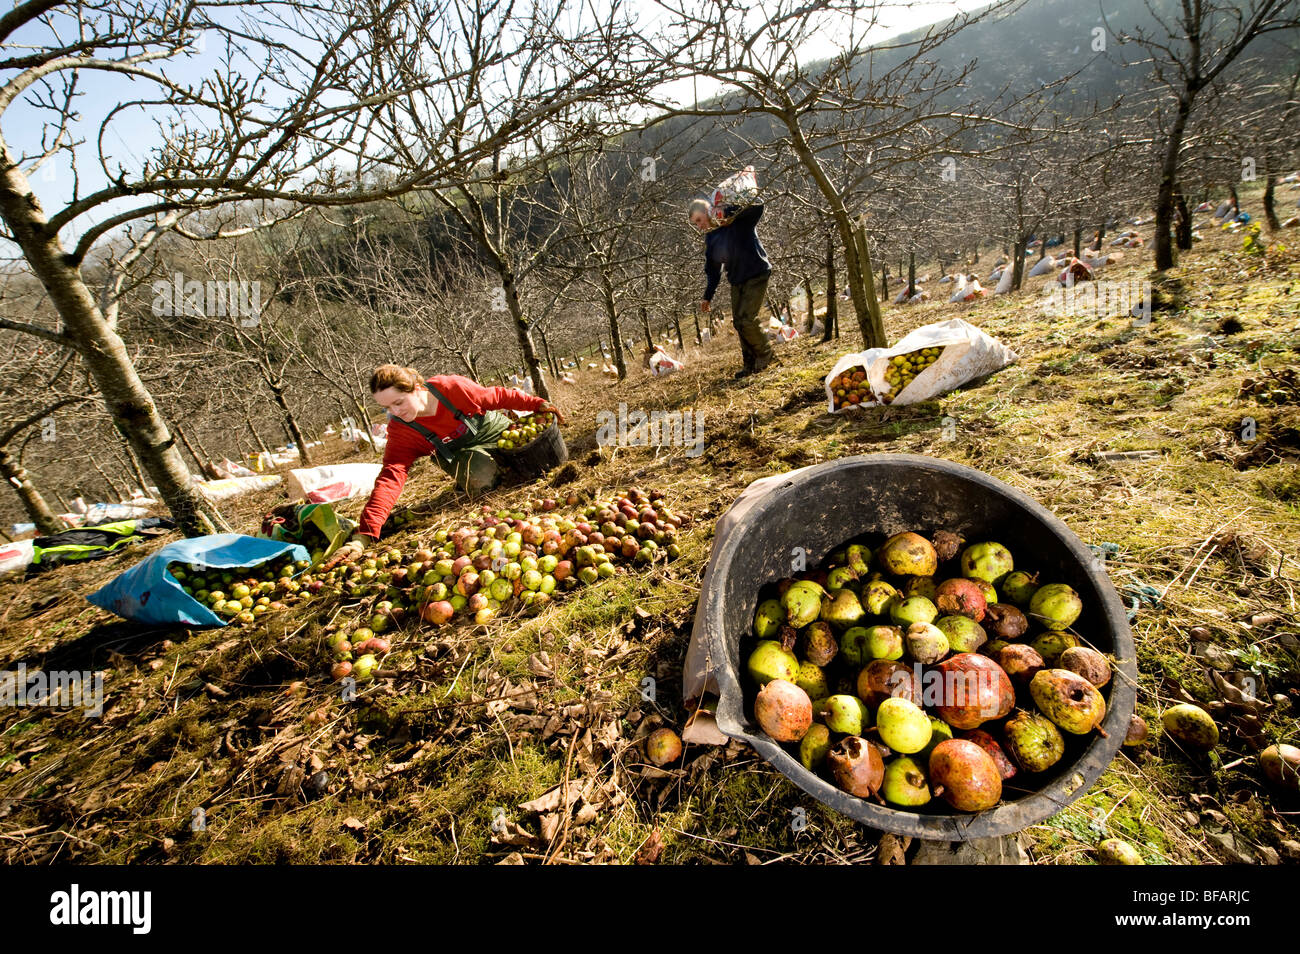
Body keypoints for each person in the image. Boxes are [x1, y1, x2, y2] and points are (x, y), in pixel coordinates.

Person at [341, 365, 565, 549]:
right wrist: (366, 532)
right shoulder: (402, 431)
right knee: (485, 479)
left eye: (398, 402)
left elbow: (495, 396)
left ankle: (500, 463)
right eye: (386, 408)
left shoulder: (451, 388)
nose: (395, 412)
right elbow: (391, 475)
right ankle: (476, 475)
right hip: (459, 454)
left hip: (490, 430)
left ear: (416, 388)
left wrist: (536, 404)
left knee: (529, 453)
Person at [689, 196, 777, 379]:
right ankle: (750, 364)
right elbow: (713, 270)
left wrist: (730, 213)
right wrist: (707, 297)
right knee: (738, 322)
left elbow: (758, 206)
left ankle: (767, 356)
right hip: (737, 279)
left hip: (756, 272)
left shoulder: (734, 219)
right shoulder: (711, 238)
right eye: (695, 224)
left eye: (699, 220)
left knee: (747, 319)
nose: (699, 225)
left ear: (708, 211)